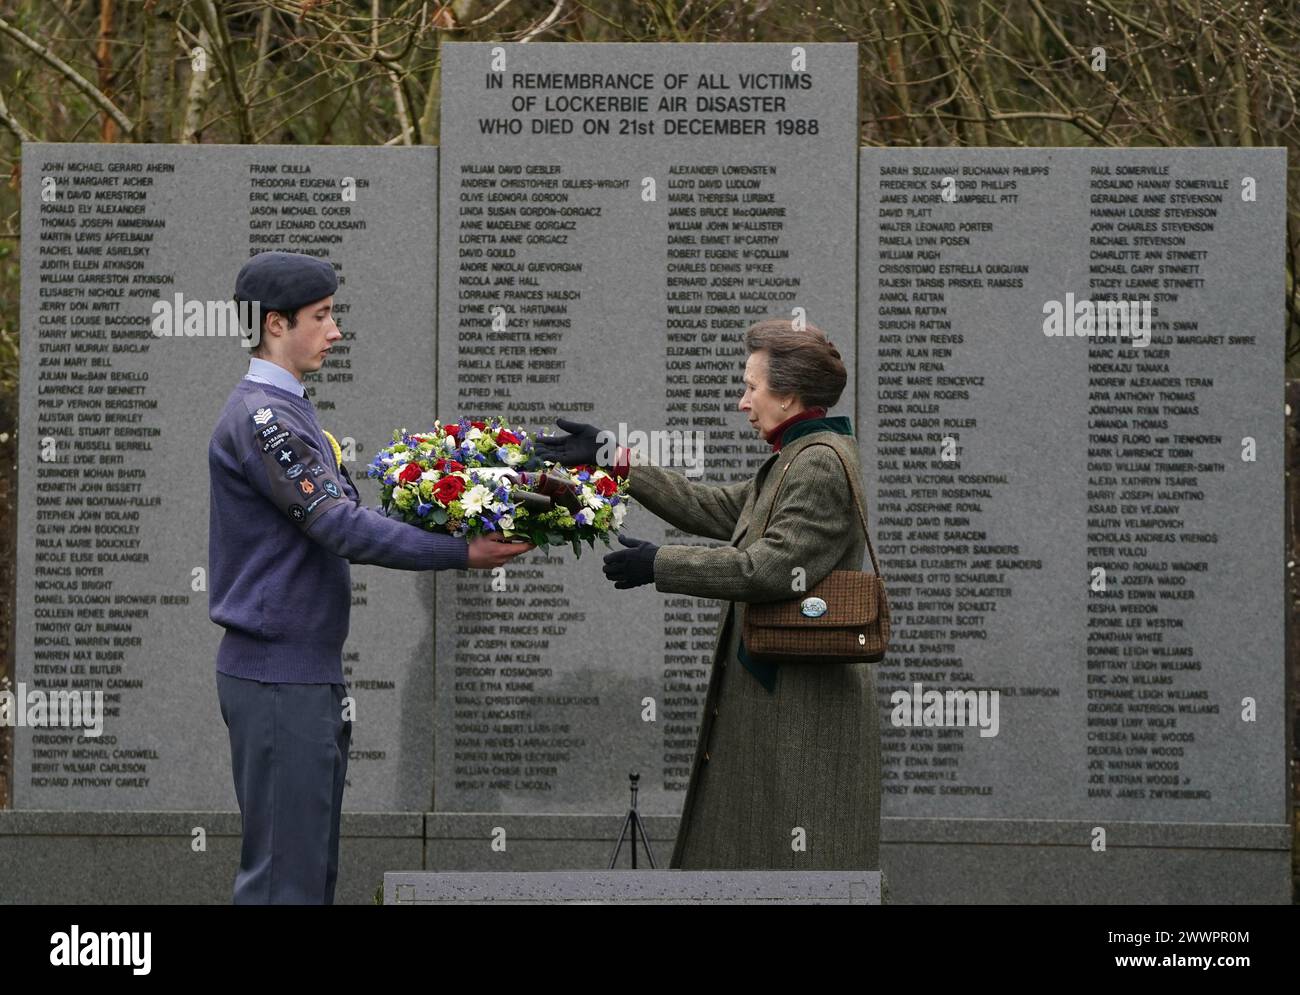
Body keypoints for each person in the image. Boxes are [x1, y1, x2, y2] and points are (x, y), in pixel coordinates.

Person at [208, 250, 531, 904]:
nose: (335, 330)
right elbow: (339, 523)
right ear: (276, 324)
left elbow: (347, 516)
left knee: (307, 874)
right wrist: (460, 552)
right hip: (278, 676)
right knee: (283, 882)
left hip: (298, 672)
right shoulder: (264, 419)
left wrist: (464, 514)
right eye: (321, 316)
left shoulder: (285, 411)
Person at [536, 318, 880, 869]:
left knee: (795, 872)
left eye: (752, 387)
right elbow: (715, 507)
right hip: (780, 696)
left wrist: (660, 565)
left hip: (800, 712)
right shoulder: (799, 454)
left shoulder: (817, 462)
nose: (743, 402)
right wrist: (613, 459)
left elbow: (767, 569)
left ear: (788, 394)